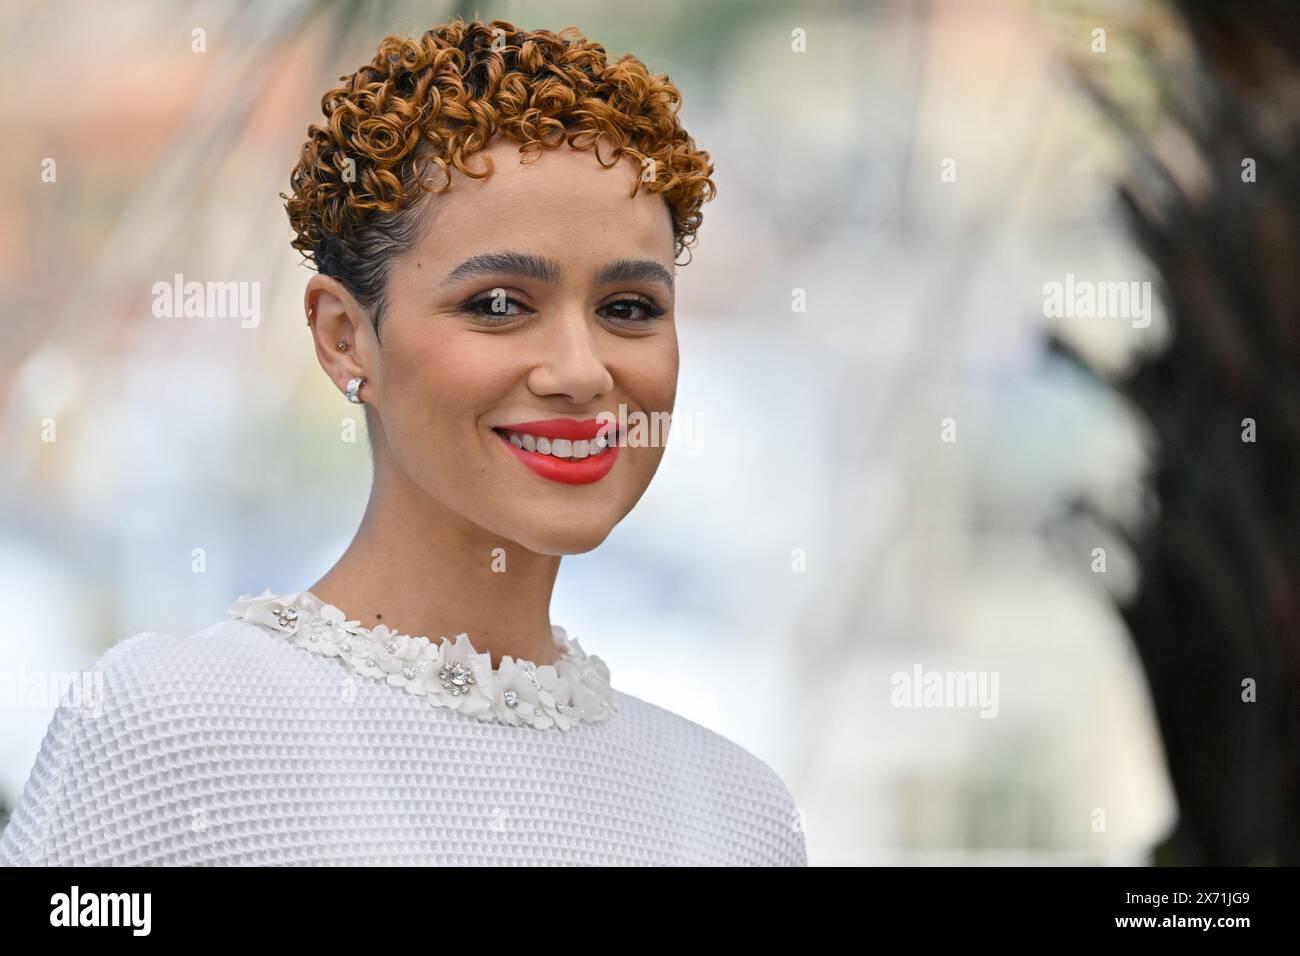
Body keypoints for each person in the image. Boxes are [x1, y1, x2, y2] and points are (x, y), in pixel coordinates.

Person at [0, 17, 806, 866]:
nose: (581, 371)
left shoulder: (738, 812)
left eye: (629, 309)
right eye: (499, 304)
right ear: (345, 337)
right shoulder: (168, 731)